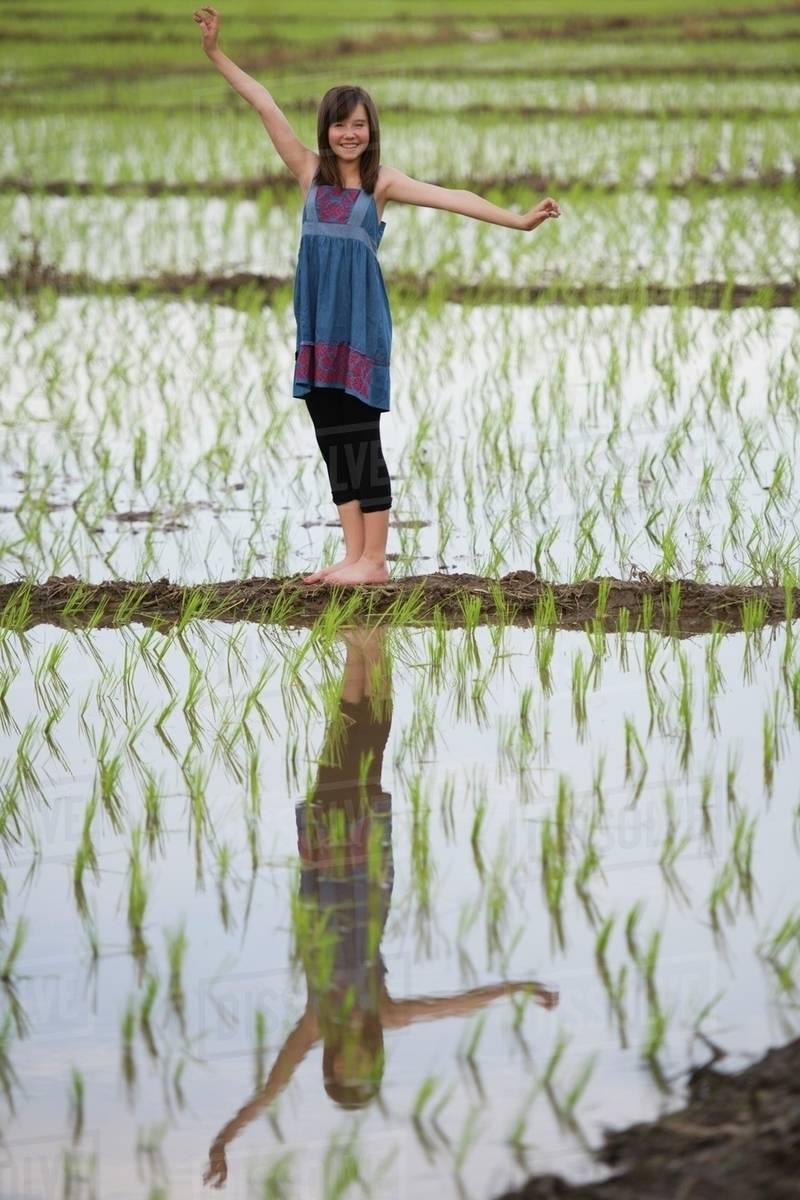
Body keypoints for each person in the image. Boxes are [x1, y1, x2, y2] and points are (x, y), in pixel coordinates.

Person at [194, 6, 561, 588]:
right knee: (329, 433)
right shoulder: (307, 171)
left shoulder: (380, 183)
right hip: (317, 326)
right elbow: (263, 102)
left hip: (360, 326)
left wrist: (518, 221)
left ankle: (377, 560)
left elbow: (454, 196)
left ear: (371, 130)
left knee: (361, 436)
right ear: (326, 131)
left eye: (359, 125)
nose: (349, 134)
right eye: (340, 125)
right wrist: (216, 53)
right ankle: (352, 555)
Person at [203, 625, 558, 1189]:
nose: (354, 1065)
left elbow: (272, 1084)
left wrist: (226, 1137)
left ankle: (362, 646)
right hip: (367, 881)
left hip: (323, 878)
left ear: (332, 1068)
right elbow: (453, 1005)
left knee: (341, 754)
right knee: (367, 754)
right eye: (363, 1073)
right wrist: (516, 988)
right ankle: (369, 645)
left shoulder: (318, 1022)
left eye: (346, 1074)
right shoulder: (382, 1013)